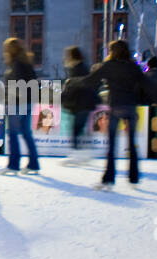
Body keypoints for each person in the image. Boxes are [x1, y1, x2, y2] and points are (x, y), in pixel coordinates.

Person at [83, 39, 146, 189]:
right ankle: (134, 179)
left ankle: (109, 179)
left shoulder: (109, 66)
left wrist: (76, 83)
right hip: (131, 106)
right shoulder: (133, 66)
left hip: (116, 106)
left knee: (112, 145)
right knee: (132, 144)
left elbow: (91, 80)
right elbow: (146, 84)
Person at [1, 38, 40, 175]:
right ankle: (34, 164)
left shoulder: (16, 65)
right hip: (28, 102)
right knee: (26, 133)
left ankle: (13, 165)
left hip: (17, 103)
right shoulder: (27, 63)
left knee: (12, 133)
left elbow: (15, 87)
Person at [60, 46, 97, 165]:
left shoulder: (77, 69)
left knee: (76, 129)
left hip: (82, 103)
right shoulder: (80, 68)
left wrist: (64, 95)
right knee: (79, 129)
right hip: (83, 103)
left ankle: (78, 155)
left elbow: (76, 87)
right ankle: (83, 154)